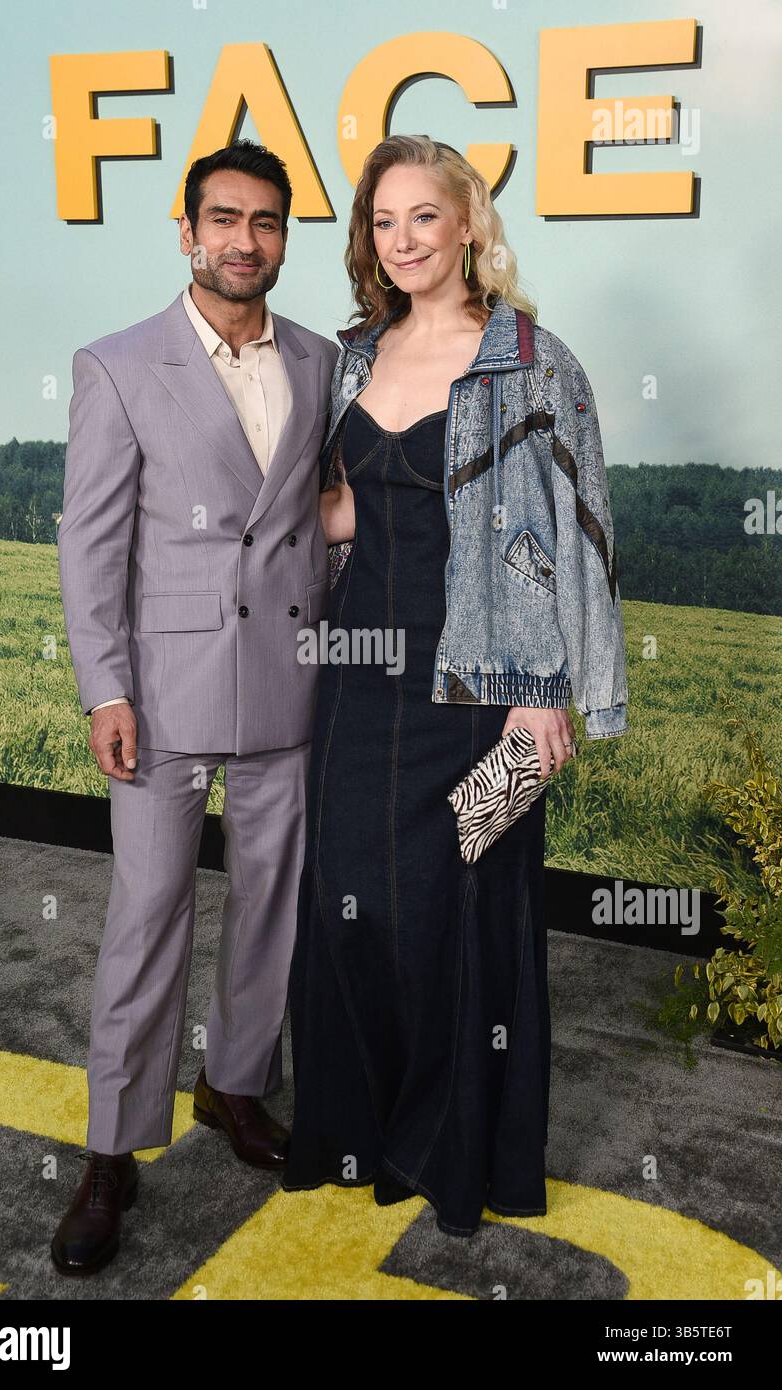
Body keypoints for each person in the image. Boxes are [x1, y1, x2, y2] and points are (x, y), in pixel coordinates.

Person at [281, 135, 629, 1237]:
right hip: (355, 676)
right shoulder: (349, 356)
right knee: (348, 899)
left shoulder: (531, 360)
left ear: (467, 224)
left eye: (423, 217)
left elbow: (583, 533)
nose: (403, 241)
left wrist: (551, 693)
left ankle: (456, 1154)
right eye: (384, 223)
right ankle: (357, 1130)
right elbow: (349, 509)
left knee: (461, 910)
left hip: (488, 685)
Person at [52, 140, 337, 1275]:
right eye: (224, 219)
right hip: (160, 699)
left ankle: (233, 1087)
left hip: (289, 681)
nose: (243, 241)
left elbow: (314, 513)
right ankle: (113, 1150)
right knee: (148, 915)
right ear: (186, 231)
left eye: (265, 223)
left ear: (280, 239)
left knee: (271, 902)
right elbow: (93, 542)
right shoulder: (117, 364)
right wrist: (104, 686)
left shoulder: (317, 360)